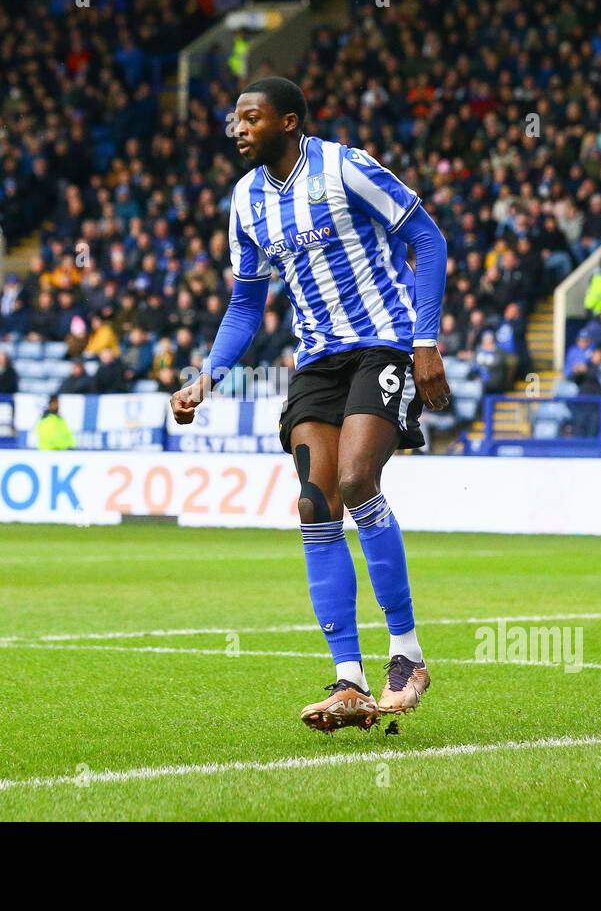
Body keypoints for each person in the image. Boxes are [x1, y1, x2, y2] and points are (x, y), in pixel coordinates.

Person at [170, 77, 449, 732]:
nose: (236, 128)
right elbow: (245, 303)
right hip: (317, 361)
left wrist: (426, 340)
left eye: (251, 117)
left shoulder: (347, 168)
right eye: (234, 118)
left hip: (383, 343)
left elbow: (428, 239)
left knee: (357, 480)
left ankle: (406, 656)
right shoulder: (245, 199)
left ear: (288, 121)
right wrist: (206, 376)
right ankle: (348, 680)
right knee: (314, 504)